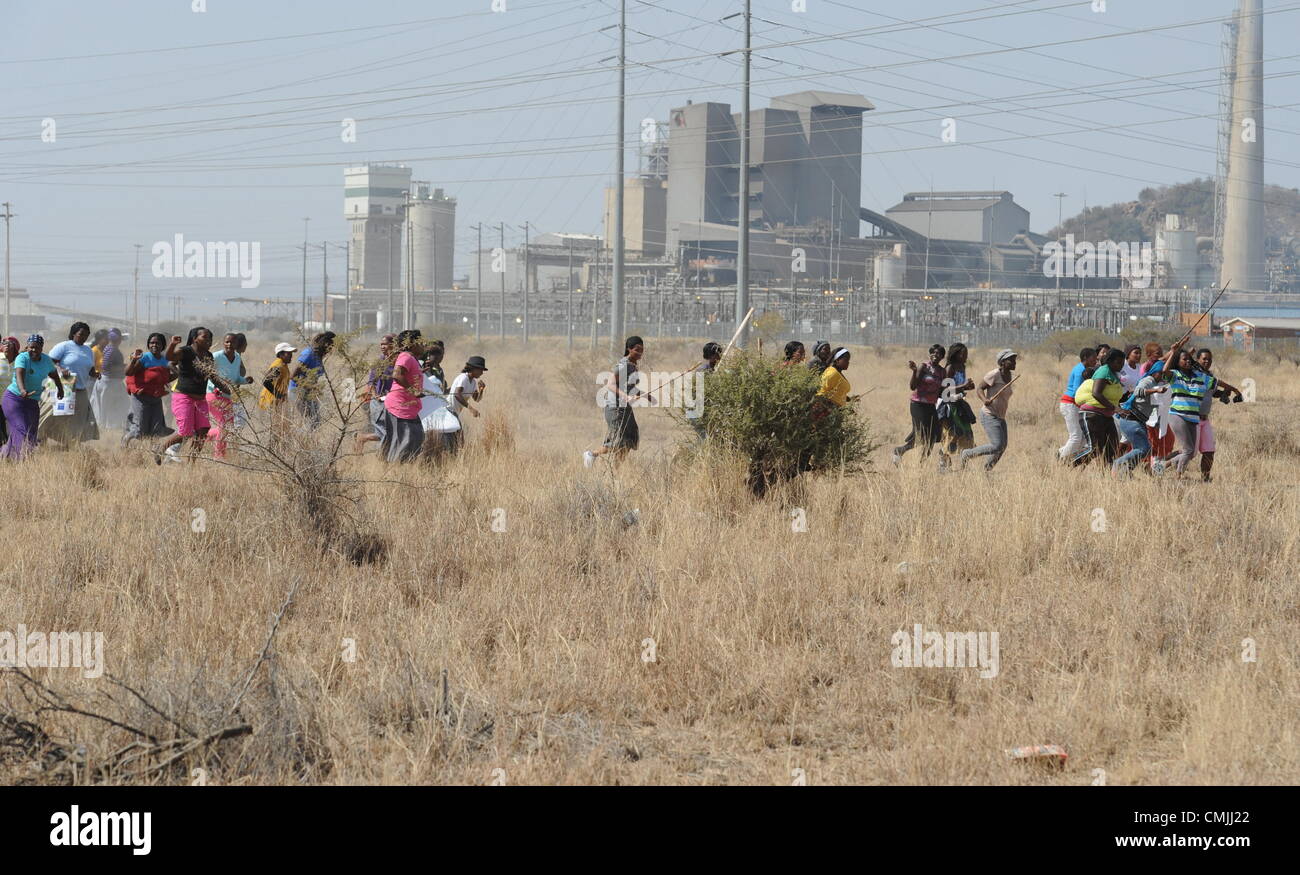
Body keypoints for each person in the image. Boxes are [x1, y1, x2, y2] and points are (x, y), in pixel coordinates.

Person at [155, 327, 225, 464]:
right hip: (184, 397)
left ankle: (192, 464)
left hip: (201, 399)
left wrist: (222, 387)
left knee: (203, 430)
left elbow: (211, 374)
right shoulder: (186, 351)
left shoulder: (208, 356)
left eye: (210, 338)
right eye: (205, 337)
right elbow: (169, 357)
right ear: (194, 339)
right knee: (185, 432)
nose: (209, 340)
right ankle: (162, 448)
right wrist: (173, 344)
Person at [585, 337, 647, 468]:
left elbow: (629, 387)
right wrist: (626, 396)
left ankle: (616, 472)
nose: (640, 352)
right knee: (617, 442)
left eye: (642, 349)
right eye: (637, 349)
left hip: (625, 409)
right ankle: (591, 454)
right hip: (616, 409)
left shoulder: (633, 366)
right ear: (629, 349)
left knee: (629, 440)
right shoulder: (624, 365)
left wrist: (645, 395)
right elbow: (611, 384)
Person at [39, 321, 100, 446]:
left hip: (80, 389)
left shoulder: (88, 350)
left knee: (78, 419)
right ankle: (39, 438)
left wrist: (95, 374)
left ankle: (71, 443)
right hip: (62, 386)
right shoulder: (64, 346)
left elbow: (90, 369)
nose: (83, 337)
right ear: (73, 334)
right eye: (81, 334)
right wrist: (60, 369)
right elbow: (49, 361)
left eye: (86, 335)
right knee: (49, 415)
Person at [1, 334, 61, 461]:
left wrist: (60, 389)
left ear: (42, 348)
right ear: (27, 347)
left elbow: (54, 375)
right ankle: (23, 459)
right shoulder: (22, 358)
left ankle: (5, 455)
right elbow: (19, 374)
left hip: (32, 401)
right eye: (31, 347)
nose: (33, 350)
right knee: (21, 429)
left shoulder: (46, 360)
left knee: (31, 433)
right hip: (14, 399)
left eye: (37, 348)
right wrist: (22, 390)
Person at [960, 349, 1016, 472]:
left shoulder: (1010, 376)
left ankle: (986, 470)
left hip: (1001, 416)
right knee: (996, 445)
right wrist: (985, 399)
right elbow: (979, 388)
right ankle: (967, 454)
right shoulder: (994, 374)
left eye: (1014, 359)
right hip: (989, 414)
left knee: (1002, 447)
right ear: (1002, 362)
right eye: (1011, 360)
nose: (1014, 362)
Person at [1192, 348, 1242, 483]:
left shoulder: (1209, 374)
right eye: (1204, 359)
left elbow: (1213, 392)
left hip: (1204, 418)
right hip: (1193, 418)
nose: (1207, 361)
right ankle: (1160, 467)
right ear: (1197, 360)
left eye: (1209, 359)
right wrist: (1234, 389)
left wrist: (1224, 394)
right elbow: (1215, 383)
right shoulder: (1195, 374)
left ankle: (1205, 480)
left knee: (1209, 451)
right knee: (1189, 453)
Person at [891, 344, 946, 465]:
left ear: (942, 357)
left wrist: (958, 390)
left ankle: (922, 463)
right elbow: (912, 386)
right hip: (918, 404)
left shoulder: (942, 372)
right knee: (921, 435)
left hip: (931, 405)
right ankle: (899, 451)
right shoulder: (924, 367)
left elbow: (941, 391)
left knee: (933, 436)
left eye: (939, 354)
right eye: (933, 353)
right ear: (930, 354)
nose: (935, 355)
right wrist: (915, 371)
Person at [1071, 347, 1125, 467]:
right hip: (1092, 414)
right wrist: (1115, 408)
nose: (1121, 365)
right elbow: (1096, 393)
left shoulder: (1113, 374)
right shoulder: (1104, 372)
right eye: (1118, 362)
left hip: (1106, 415)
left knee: (1111, 448)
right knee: (1094, 449)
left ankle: (1107, 477)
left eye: (1122, 363)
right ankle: (1069, 465)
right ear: (1110, 361)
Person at [1112, 365, 1168, 478]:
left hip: (1138, 421)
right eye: (1161, 373)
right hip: (1131, 420)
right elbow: (1137, 392)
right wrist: (1156, 390)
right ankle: (1117, 463)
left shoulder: (1158, 384)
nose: (1162, 376)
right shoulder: (1148, 381)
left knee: (1145, 450)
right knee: (1143, 448)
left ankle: (1125, 471)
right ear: (1154, 372)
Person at [380, 329, 426, 463]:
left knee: (416, 437)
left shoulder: (412, 359)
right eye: (420, 343)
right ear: (411, 344)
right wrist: (413, 390)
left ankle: (401, 470)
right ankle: (395, 472)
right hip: (399, 406)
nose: (423, 346)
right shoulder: (405, 356)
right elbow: (397, 375)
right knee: (405, 441)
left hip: (408, 407)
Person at [123, 333, 175, 446]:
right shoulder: (144, 358)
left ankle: (155, 451)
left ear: (163, 346)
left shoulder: (164, 360)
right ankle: (125, 440)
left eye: (157, 343)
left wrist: (178, 373)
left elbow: (166, 378)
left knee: (157, 427)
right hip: (140, 397)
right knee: (139, 427)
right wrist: (133, 360)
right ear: (148, 345)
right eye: (152, 343)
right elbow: (128, 372)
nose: (154, 345)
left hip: (156, 398)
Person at [206, 332, 252, 460]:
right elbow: (208, 373)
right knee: (224, 425)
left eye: (232, 342)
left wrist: (245, 380)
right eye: (227, 342)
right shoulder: (216, 356)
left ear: (237, 344)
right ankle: (219, 456)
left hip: (227, 396)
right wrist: (217, 386)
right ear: (223, 343)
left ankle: (201, 434)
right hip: (214, 395)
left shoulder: (237, 357)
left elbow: (235, 378)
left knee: (228, 427)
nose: (229, 344)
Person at [936, 343, 976, 471]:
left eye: (966, 354)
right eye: (963, 354)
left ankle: (964, 466)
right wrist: (963, 385)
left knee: (967, 434)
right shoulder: (949, 368)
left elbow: (960, 387)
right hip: (949, 406)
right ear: (956, 354)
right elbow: (944, 390)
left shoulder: (962, 367)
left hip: (960, 405)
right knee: (951, 434)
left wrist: (968, 387)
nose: (965, 356)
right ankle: (943, 462)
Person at [355, 334, 395, 454]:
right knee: (385, 434)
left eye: (385, 344)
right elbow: (371, 382)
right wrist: (376, 396)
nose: (383, 346)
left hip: (393, 401)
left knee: (388, 433)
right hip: (379, 402)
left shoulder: (398, 360)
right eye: (381, 344)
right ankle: (380, 457)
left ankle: (362, 438)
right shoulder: (380, 362)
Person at [1058, 347, 1096, 462]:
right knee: (1075, 437)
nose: (1095, 360)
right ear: (1085, 358)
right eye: (1093, 358)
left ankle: (1060, 453)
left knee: (1083, 439)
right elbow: (1076, 392)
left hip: (1074, 405)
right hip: (1070, 404)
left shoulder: (1084, 369)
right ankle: (1061, 462)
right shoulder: (1080, 371)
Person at [291, 331, 335, 428]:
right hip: (299, 391)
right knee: (310, 422)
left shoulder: (318, 357)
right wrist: (309, 386)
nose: (330, 351)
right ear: (325, 346)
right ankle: (301, 441)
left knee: (316, 422)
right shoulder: (309, 354)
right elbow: (293, 376)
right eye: (329, 347)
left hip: (309, 392)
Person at [89, 328, 129, 432]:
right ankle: (104, 428)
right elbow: (106, 366)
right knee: (107, 408)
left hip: (108, 382)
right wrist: (124, 367)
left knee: (105, 407)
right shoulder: (112, 350)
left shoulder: (108, 348)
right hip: (110, 383)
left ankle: (106, 427)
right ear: (119, 339)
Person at [447, 355, 488, 455]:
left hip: (455, 413)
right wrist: (470, 409)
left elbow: (476, 399)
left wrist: (481, 390)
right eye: (480, 370)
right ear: (473, 369)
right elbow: (457, 394)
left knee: (457, 440)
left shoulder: (473, 382)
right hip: (448, 411)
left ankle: (453, 457)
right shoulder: (463, 378)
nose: (482, 373)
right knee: (459, 440)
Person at [811, 348, 853, 420]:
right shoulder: (832, 373)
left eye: (848, 360)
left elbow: (835, 391)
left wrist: (848, 399)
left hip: (833, 413)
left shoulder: (837, 373)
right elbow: (823, 393)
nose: (848, 363)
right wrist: (835, 409)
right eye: (845, 360)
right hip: (824, 413)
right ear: (837, 360)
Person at [0, 336, 18, 447]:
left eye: (10, 344)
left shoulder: (19, 362)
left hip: (14, 402)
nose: (6, 345)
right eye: (4, 343)